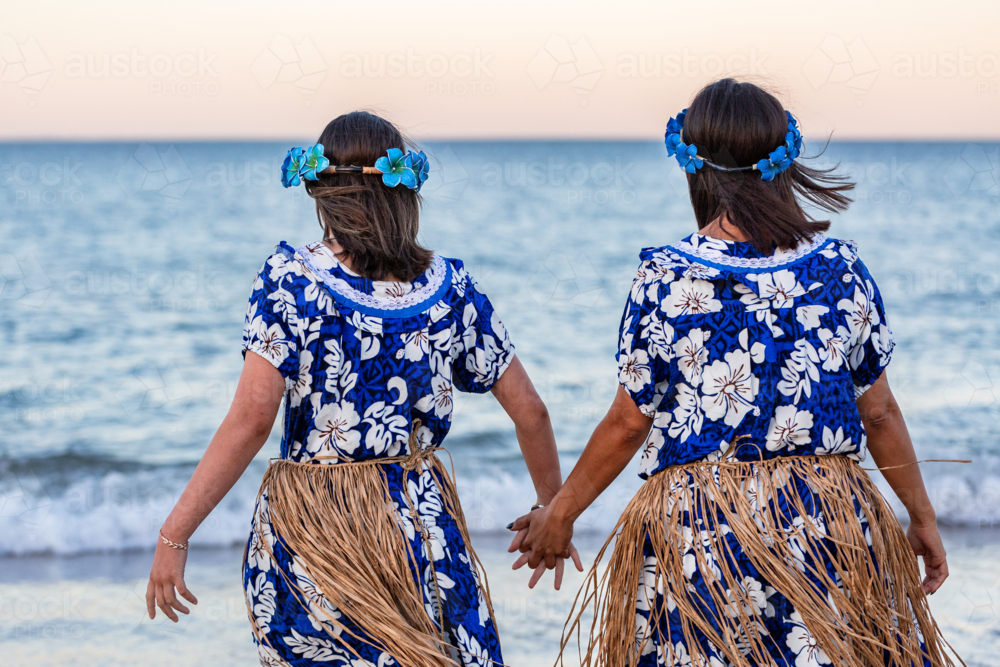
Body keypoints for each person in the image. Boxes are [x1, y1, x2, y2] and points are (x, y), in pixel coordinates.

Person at [509, 79, 961, 666]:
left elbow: (628, 423)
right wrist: (921, 517)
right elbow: (878, 412)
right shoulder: (839, 267)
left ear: (694, 167)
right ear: (783, 162)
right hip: (825, 526)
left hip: (702, 534)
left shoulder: (666, 276)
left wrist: (559, 515)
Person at [146, 110, 581, 667]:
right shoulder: (451, 287)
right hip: (421, 528)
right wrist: (552, 511)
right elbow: (532, 414)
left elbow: (253, 418)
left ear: (320, 192)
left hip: (320, 530)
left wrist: (175, 534)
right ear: (404, 192)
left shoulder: (292, 279)